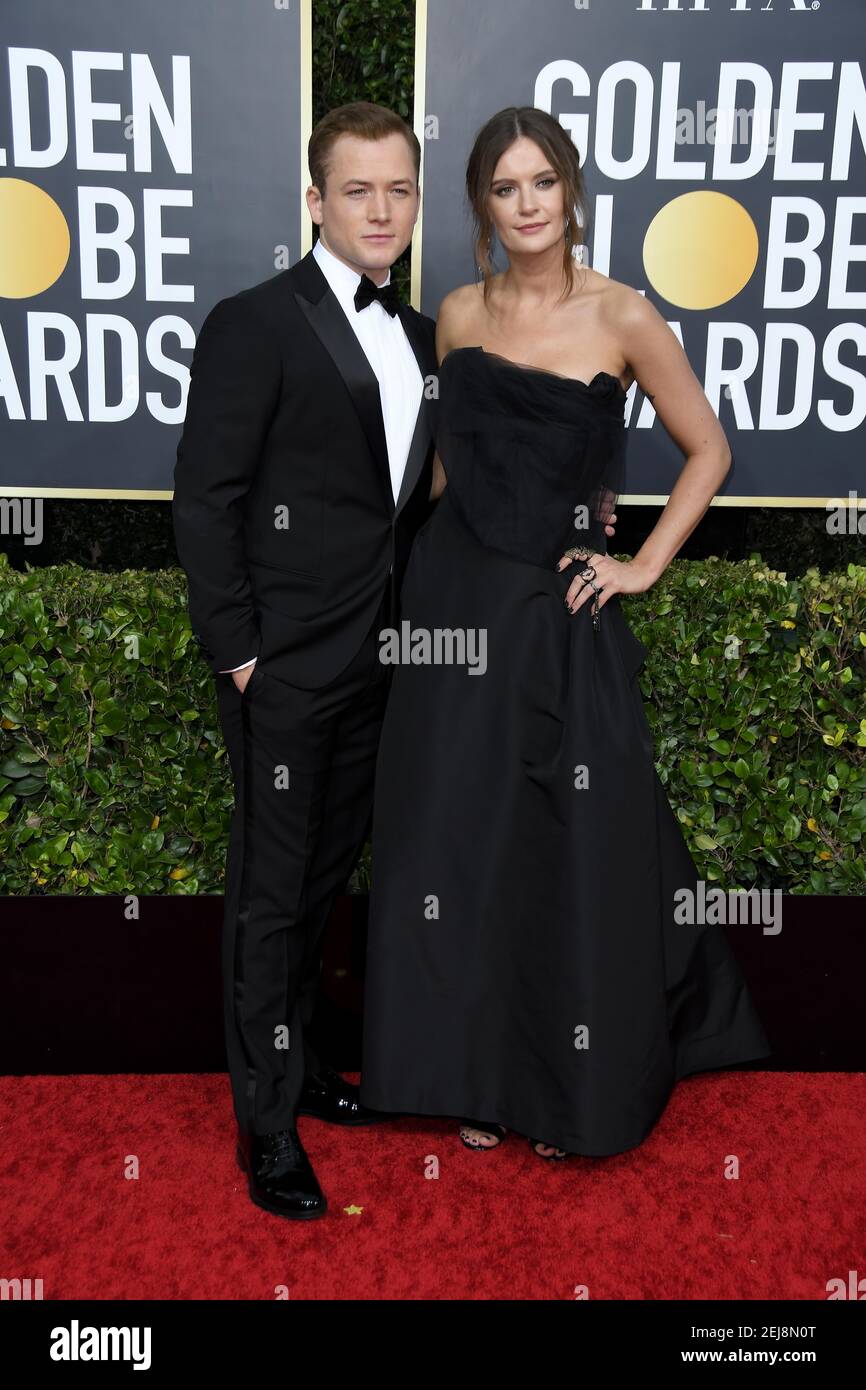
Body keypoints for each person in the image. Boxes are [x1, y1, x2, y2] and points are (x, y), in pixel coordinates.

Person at [359, 106, 772, 1160]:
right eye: (505, 188)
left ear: (571, 190)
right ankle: (474, 1077)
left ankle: (562, 1082)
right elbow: (448, 472)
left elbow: (708, 451)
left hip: (559, 616)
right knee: (457, 840)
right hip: (454, 611)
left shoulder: (623, 316)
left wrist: (637, 562)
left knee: (560, 847)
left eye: (541, 182)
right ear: (482, 207)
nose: (526, 203)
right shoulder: (454, 314)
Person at [172, 102, 444, 1219]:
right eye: (357, 191)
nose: (380, 211)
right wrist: (241, 657)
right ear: (314, 200)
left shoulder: (423, 338)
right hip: (282, 668)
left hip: (380, 662)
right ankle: (267, 1125)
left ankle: (300, 1067)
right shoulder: (255, 322)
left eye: (398, 190)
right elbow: (206, 499)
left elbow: (411, 503)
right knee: (273, 896)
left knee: (326, 877)